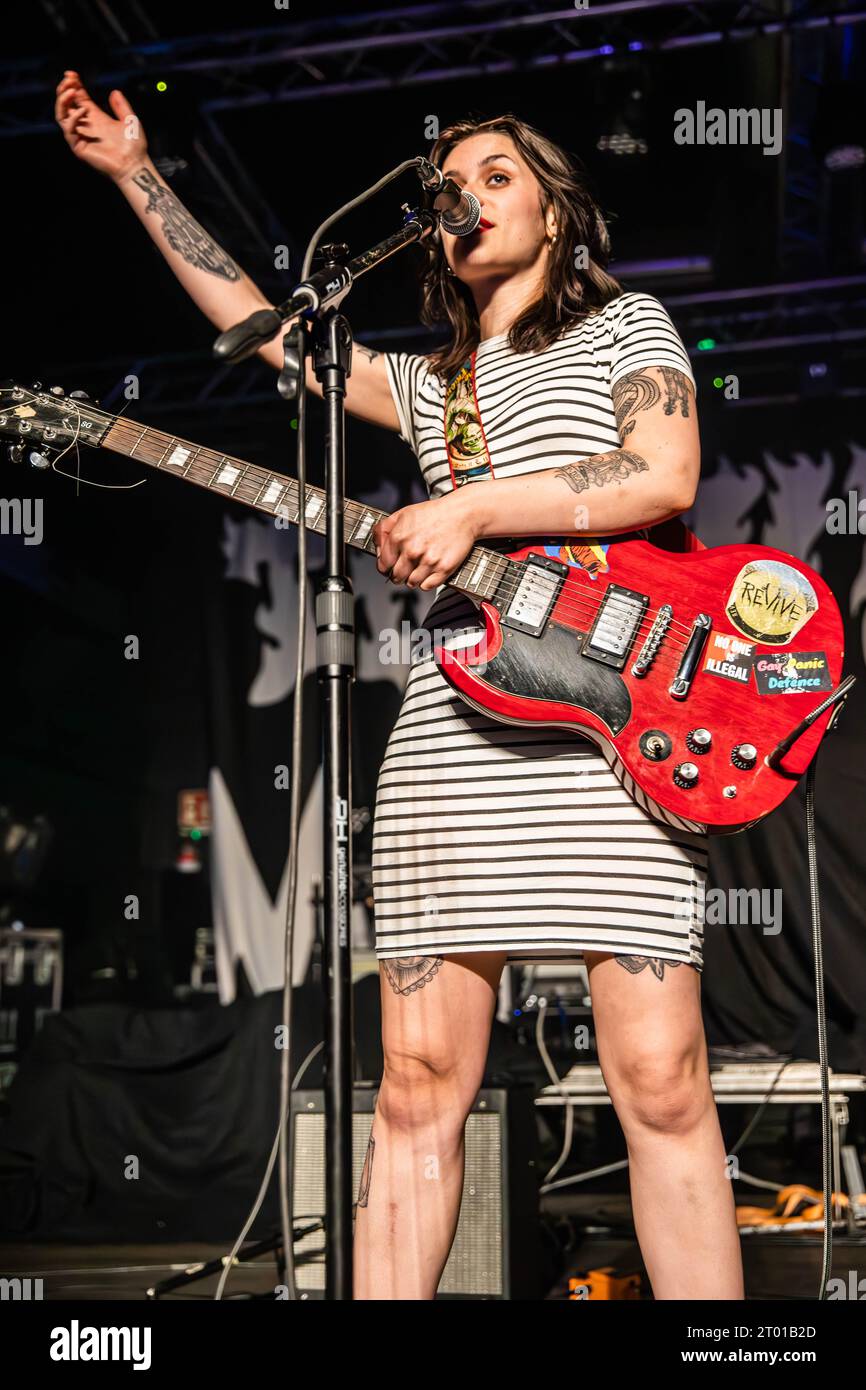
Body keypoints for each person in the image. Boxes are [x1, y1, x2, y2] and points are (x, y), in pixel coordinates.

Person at [56, 74, 744, 1301]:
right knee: (420, 1082)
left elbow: (662, 474)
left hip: (614, 734)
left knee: (657, 1075)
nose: (467, 197)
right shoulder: (434, 386)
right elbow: (271, 329)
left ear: (555, 214)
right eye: (451, 183)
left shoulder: (623, 328)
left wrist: (474, 503)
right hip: (452, 733)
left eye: (498, 177)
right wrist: (135, 175)